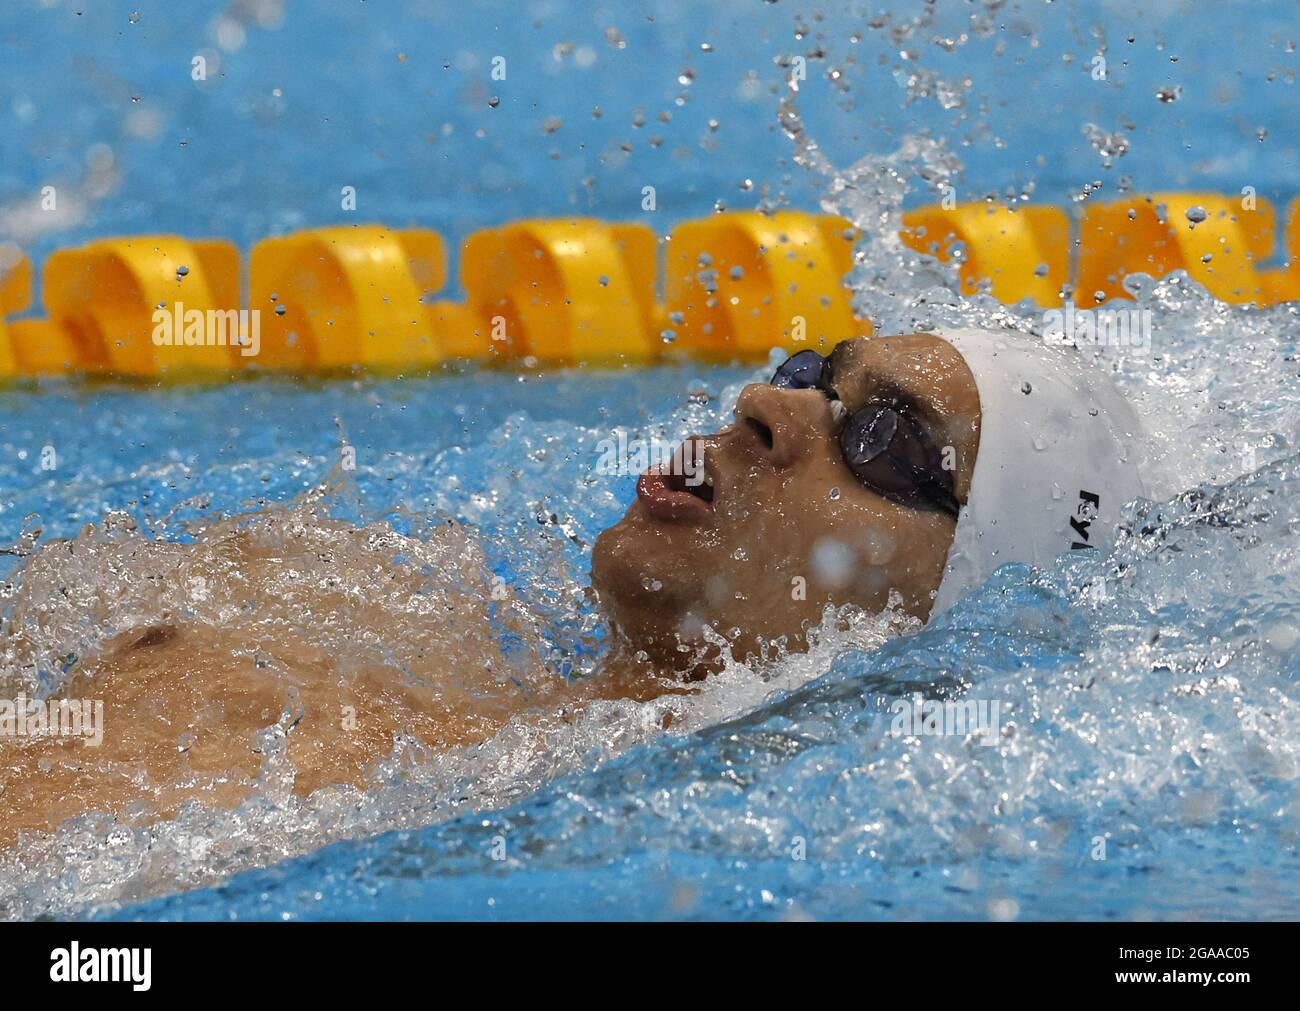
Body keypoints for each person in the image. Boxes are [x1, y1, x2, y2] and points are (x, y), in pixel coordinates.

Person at [0, 329, 1145, 846]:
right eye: (814, 370)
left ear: (938, 612)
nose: (767, 401)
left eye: (888, 440)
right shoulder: (388, 605)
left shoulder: (579, 835)